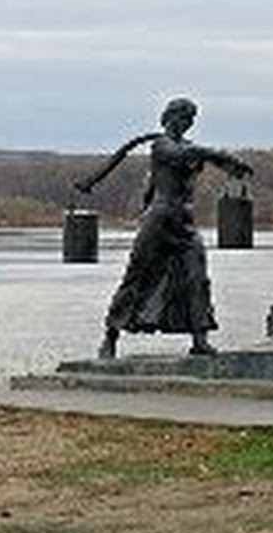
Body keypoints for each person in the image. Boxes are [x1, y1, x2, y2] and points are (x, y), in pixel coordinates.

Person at [75, 97, 252, 359]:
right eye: (182, 117)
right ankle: (110, 336)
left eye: (190, 119)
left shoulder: (189, 147)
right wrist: (223, 156)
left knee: (197, 278)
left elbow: (191, 159)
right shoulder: (161, 146)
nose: (186, 123)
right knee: (137, 277)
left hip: (185, 223)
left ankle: (200, 339)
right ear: (169, 117)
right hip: (159, 221)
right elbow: (183, 156)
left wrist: (230, 167)